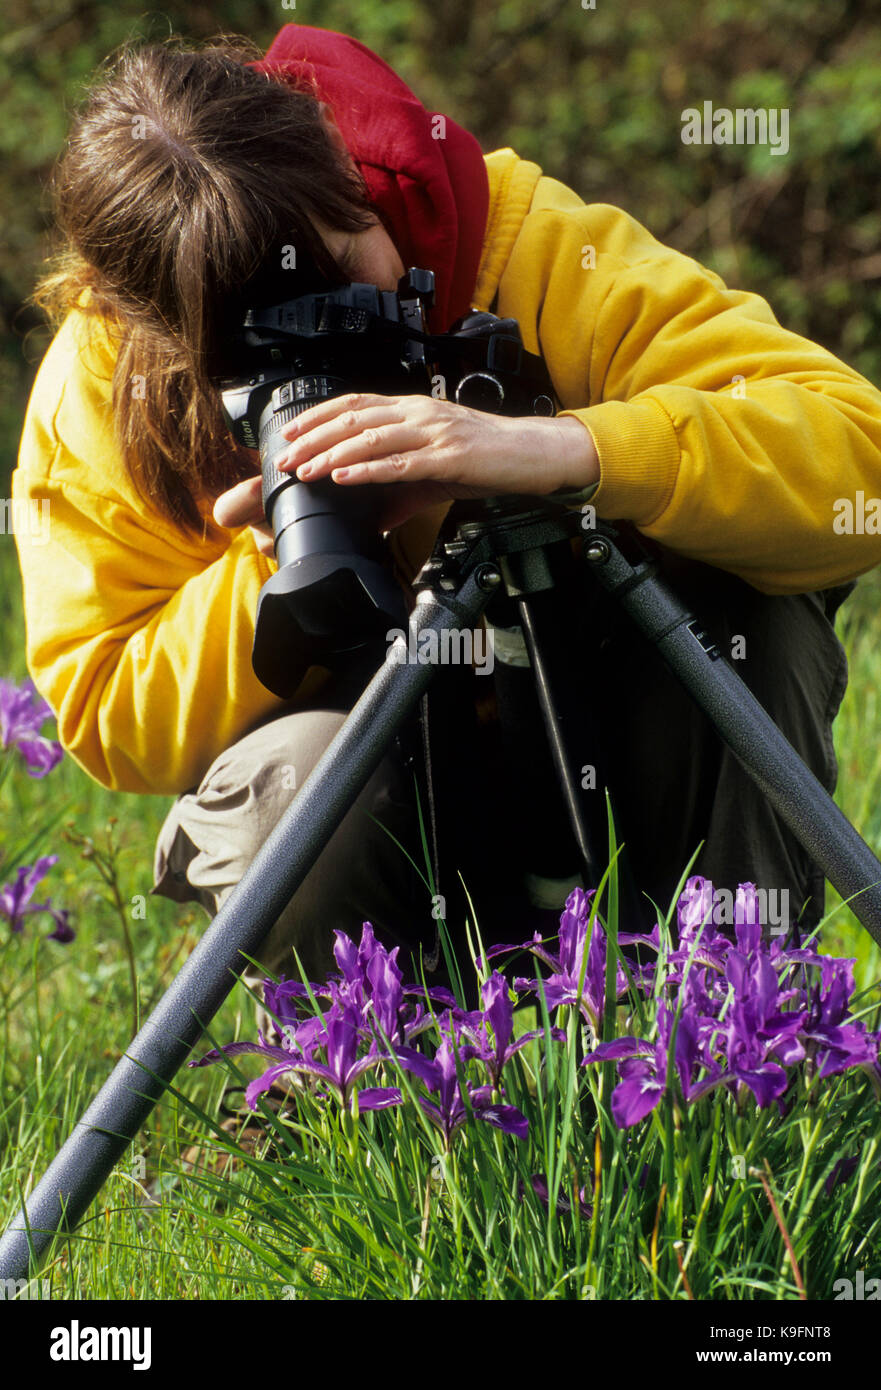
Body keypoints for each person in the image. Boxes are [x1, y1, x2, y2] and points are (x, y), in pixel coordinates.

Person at [13, 24, 881, 1001]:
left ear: (346, 169)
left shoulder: (521, 243)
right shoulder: (109, 371)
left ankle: (730, 1057)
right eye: (282, 333)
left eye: (350, 259)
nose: (347, 319)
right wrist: (294, 548)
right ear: (174, 337)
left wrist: (568, 451)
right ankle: (398, 1108)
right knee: (289, 780)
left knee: (752, 626)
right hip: (379, 800)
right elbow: (103, 706)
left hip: (602, 734)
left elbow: (858, 460)